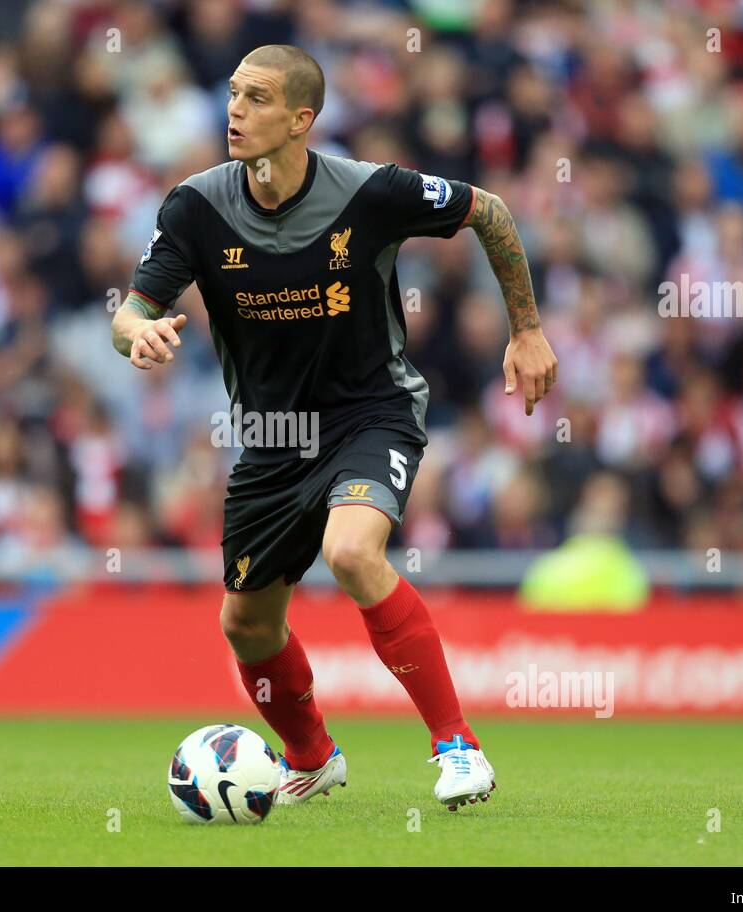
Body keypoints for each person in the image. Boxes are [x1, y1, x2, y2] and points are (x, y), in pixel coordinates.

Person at [111, 45, 557, 810]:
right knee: (246, 624)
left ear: (300, 119)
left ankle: (458, 747)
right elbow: (132, 308)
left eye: (255, 99)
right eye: (232, 96)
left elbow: (489, 210)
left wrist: (526, 331)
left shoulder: (368, 192)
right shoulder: (195, 204)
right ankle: (313, 756)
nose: (235, 112)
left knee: (351, 550)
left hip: (369, 412)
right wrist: (135, 335)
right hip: (272, 441)